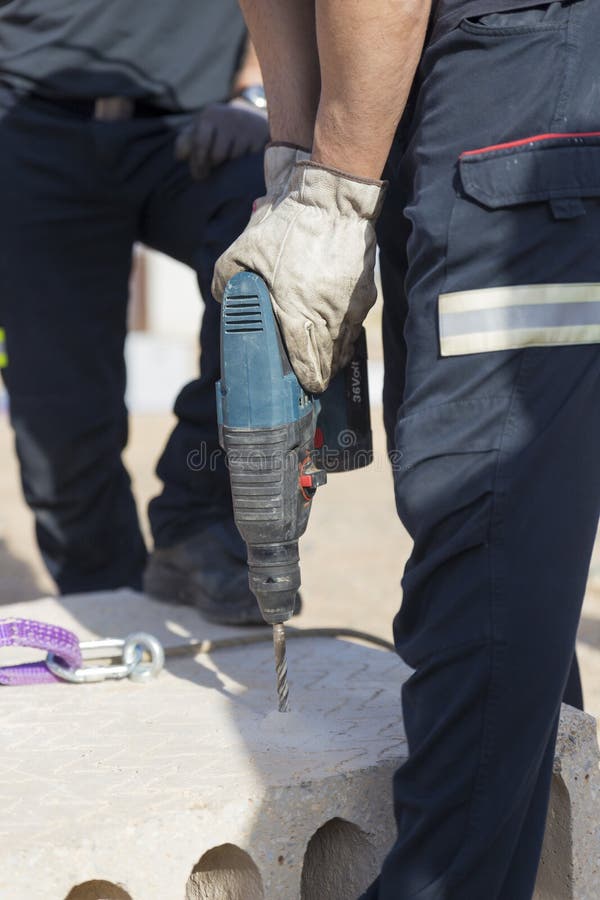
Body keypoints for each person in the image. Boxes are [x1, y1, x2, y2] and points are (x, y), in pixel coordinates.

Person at [212, 1, 600, 897]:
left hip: (515, 69)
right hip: (414, 74)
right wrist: (297, 163)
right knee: (483, 513)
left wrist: (336, 186)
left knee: (481, 506)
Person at [0, 1, 275, 624]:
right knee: (60, 420)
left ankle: (196, 525)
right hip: (29, 124)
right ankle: (108, 598)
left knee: (273, 261)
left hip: (205, 123)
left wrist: (256, 97)